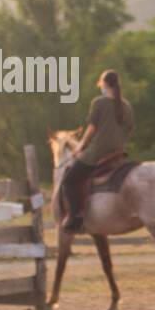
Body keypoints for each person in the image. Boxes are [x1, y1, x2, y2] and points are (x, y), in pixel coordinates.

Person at [63, 70, 134, 231]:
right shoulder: (126, 106)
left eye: (101, 82)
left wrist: (80, 146)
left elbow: (91, 129)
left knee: (69, 181)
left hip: (97, 153)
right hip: (117, 153)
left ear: (105, 84)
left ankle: (76, 215)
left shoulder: (99, 103)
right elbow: (129, 129)